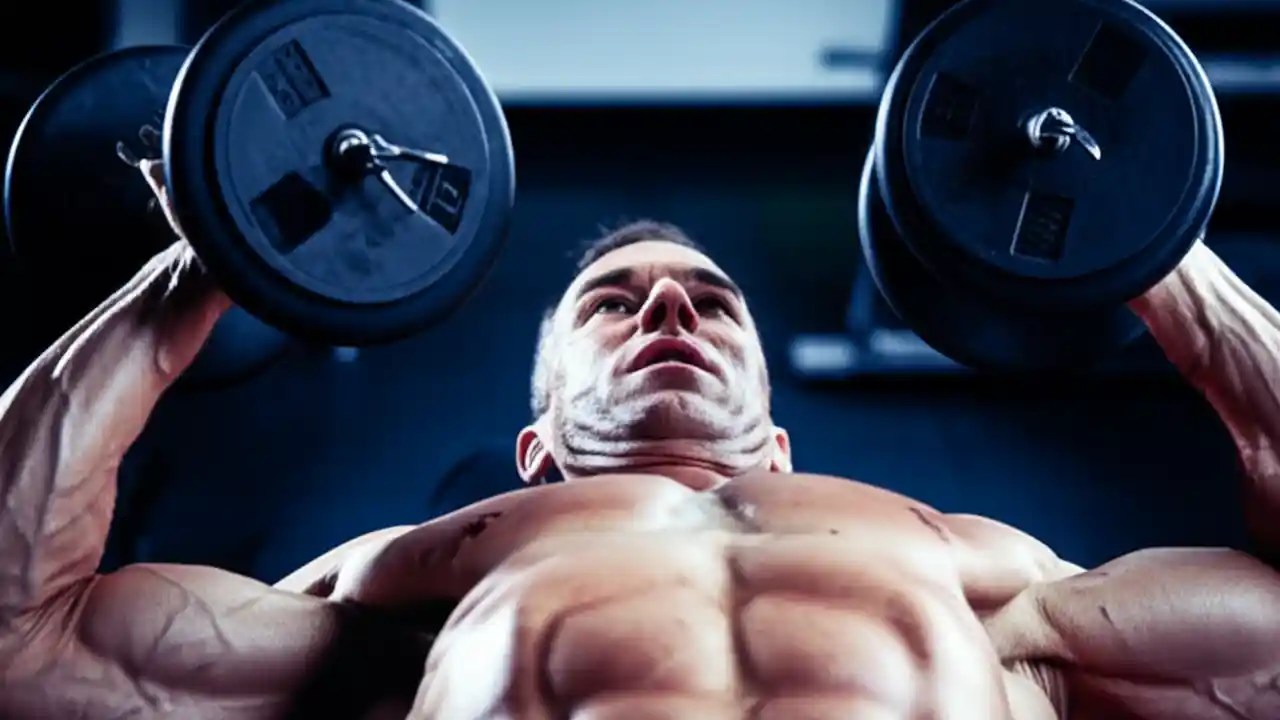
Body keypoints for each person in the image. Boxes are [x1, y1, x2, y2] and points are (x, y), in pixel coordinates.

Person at [0, 156, 1278, 720]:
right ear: (535, 446)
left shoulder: (987, 573)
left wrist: (1154, 250)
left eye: (712, 301)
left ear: (779, 447)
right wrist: (197, 270)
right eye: (610, 304)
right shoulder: (396, 584)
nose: (669, 303)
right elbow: (22, 648)